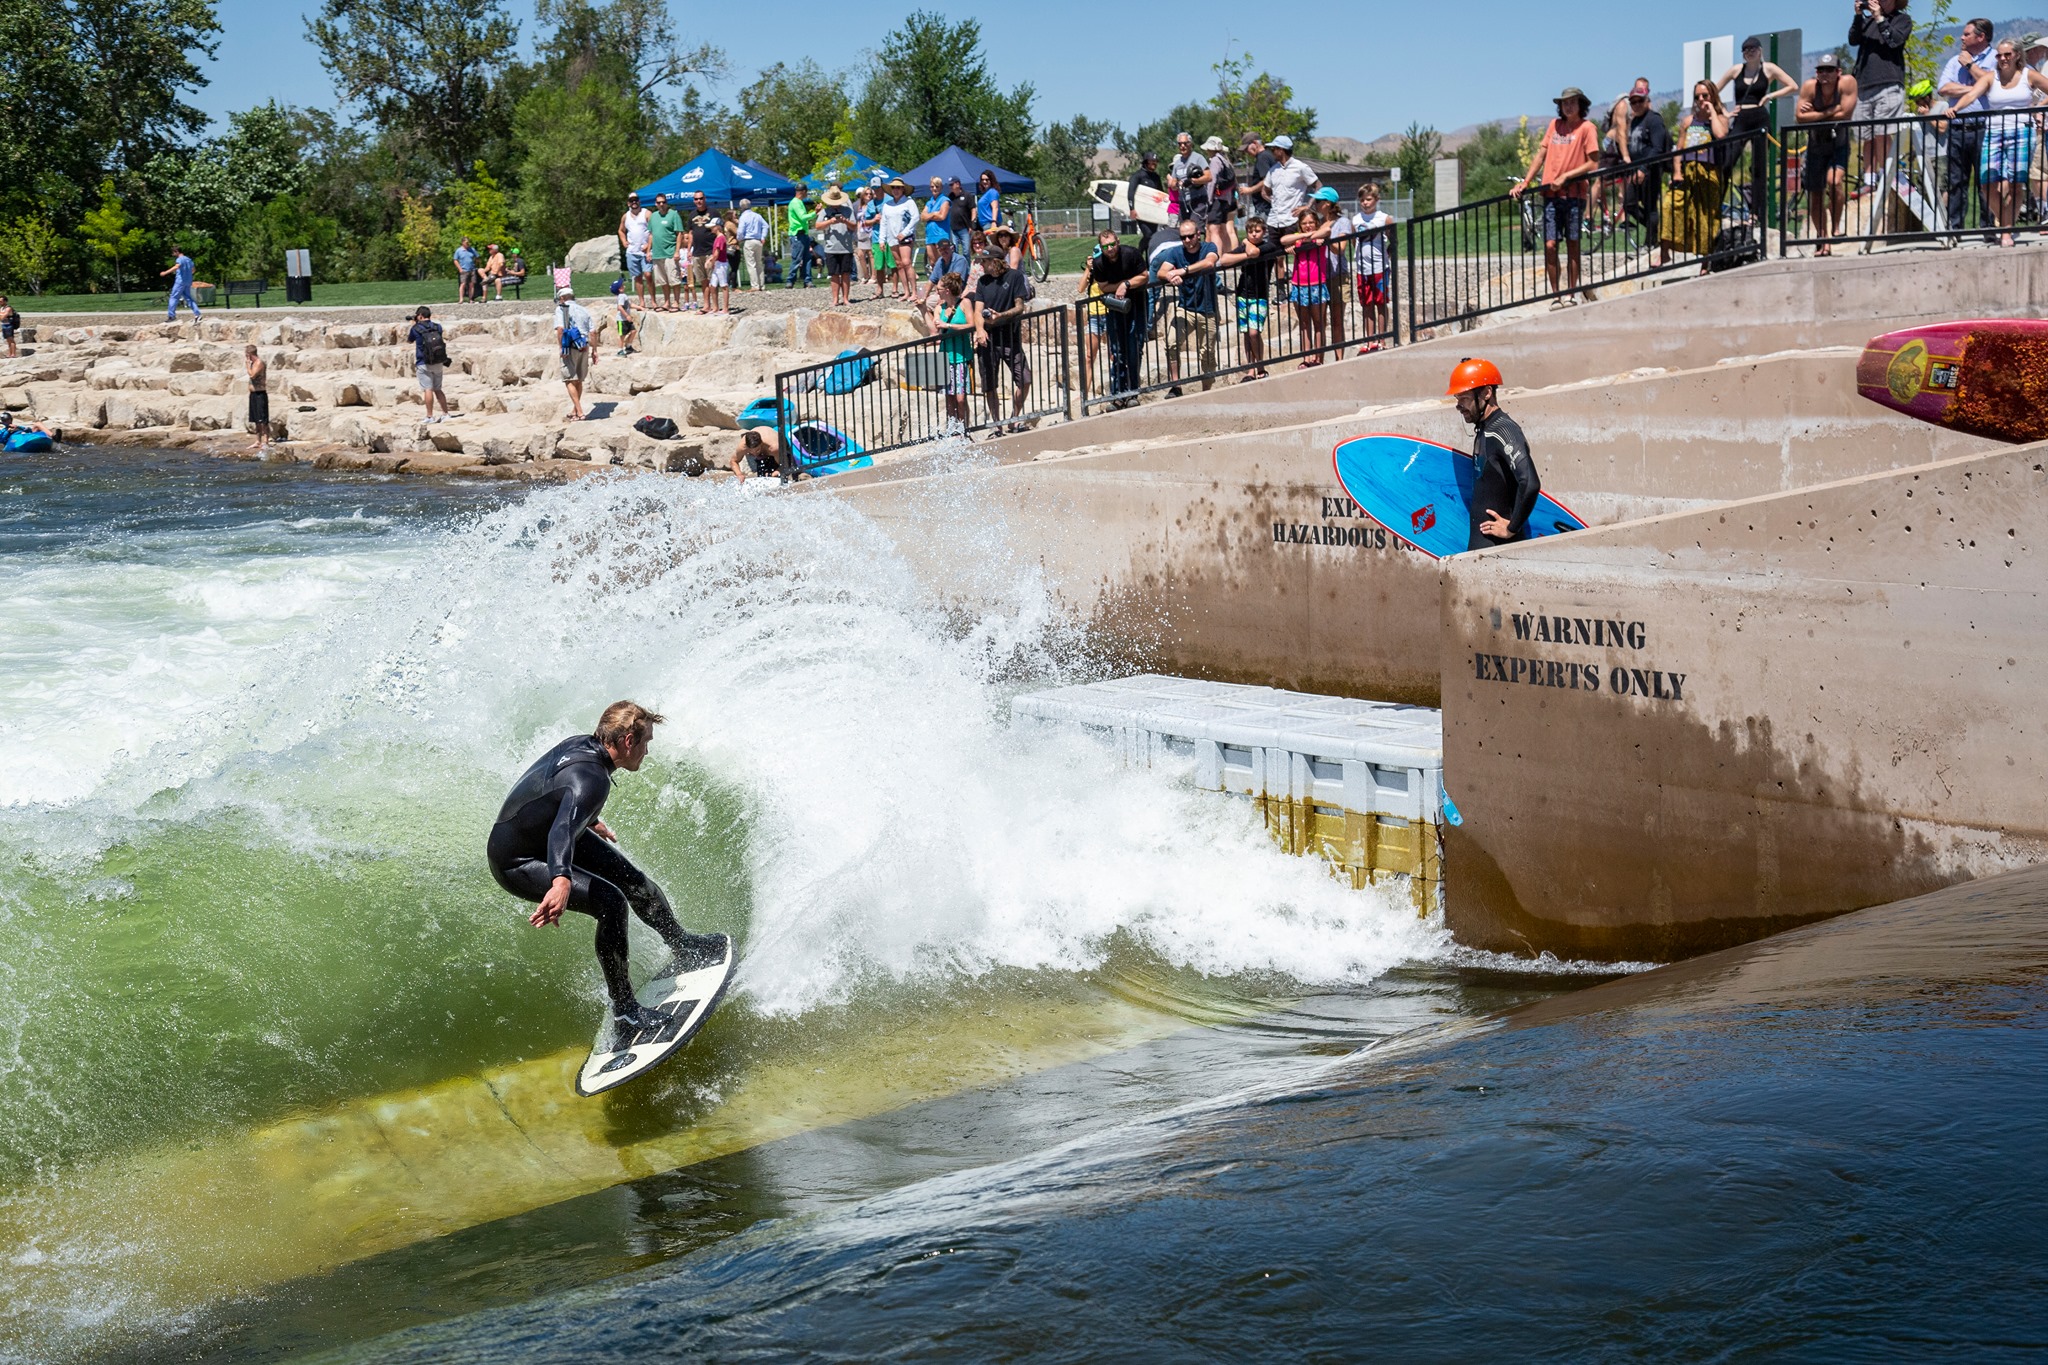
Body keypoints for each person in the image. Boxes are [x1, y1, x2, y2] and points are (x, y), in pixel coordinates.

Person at [488, 703, 728, 1048]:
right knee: (611, 902)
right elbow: (560, 831)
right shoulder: (593, 779)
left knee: (632, 880)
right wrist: (561, 879)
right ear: (628, 740)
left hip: (550, 832)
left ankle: (682, 943)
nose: (647, 751)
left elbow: (550, 790)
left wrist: (585, 816)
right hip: (517, 858)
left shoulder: (582, 745)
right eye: (645, 743)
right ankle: (626, 1013)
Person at [1952, 39, 2048, 245]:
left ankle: (2006, 231)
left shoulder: (2028, 75)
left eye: (2007, 54)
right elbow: (1972, 94)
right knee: (1987, 182)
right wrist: (1955, 109)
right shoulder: (1990, 77)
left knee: (2014, 184)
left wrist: (2040, 107)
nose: (2002, 59)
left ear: (2017, 56)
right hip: (1994, 132)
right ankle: (2007, 222)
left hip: (2021, 131)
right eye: (1999, 55)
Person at [1513, 87, 1602, 304]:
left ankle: (1571, 293)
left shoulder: (1587, 128)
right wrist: (1525, 182)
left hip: (1574, 195)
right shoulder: (1555, 125)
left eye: (1572, 102)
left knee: (1573, 243)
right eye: (1564, 103)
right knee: (1550, 244)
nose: (1568, 106)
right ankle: (1556, 294)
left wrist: (1567, 176)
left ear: (1581, 104)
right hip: (1551, 195)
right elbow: (1541, 154)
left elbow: (1593, 162)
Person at [1446, 358, 1541, 552]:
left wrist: (1512, 528)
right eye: (1457, 400)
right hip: (1483, 551)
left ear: (1487, 393)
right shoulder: (1484, 429)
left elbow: (1530, 482)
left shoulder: (1503, 430)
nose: (1459, 406)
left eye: (1464, 398)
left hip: (1498, 551)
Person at [1718, 37, 1801, 225]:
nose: (1749, 52)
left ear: (1760, 50)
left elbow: (1793, 85)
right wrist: (1725, 112)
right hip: (1740, 119)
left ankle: (1757, 213)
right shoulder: (1736, 70)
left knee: (1759, 168)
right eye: (1745, 49)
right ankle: (1716, 205)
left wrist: (1770, 95)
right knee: (1727, 162)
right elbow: (1713, 90)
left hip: (1759, 118)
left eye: (1753, 48)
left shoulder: (1768, 68)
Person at [1939, 20, 2000, 242]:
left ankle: (1988, 229)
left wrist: (1970, 68)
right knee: (1956, 181)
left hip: (1984, 127)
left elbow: (1996, 85)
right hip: (1958, 129)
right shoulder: (1954, 60)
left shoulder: (1997, 59)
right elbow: (1943, 88)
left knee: (1986, 180)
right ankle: (1954, 229)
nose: (1961, 38)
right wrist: (1978, 88)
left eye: (1966, 34)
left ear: (1981, 37)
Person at [1661, 81, 1731, 265]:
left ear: (1713, 96)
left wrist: (1713, 112)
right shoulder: (1688, 121)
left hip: (1709, 173)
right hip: (1688, 172)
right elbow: (1679, 149)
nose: (1701, 100)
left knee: (1706, 217)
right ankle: (1664, 251)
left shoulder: (1720, 119)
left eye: (1705, 96)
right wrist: (1677, 172)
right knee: (1670, 205)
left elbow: (1721, 134)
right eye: (1697, 96)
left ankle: (1706, 261)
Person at [1149, 218, 1222, 395]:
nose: (1187, 241)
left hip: (1208, 309)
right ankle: (1176, 385)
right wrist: (1170, 276)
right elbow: (1161, 271)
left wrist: (1183, 271)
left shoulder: (1208, 247)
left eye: (1190, 236)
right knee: (1171, 343)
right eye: (1183, 238)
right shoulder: (1175, 252)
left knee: (1207, 353)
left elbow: (1209, 262)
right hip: (1185, 307)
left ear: (1198, 234)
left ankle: (1207, 389)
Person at [1797, 53, 1861, 255]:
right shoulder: (1809, 87)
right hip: (1815, 145)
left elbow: (1847, 113)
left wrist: (1814, 114)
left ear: (1838, 72)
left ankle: (1835, 227)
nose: (1824, 74)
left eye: (1829, 70)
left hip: (1838, 143)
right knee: (1815, 195)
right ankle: (1823, 239)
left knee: (1834, 182)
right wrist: (1828, 112)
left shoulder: (1847, 83)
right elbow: (1799, 117)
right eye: (1820, 70)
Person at [1849, 0, 1914, 197]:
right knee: (1866, 136)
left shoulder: (1902, 20)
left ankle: (1889, 176)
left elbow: (1894, 41)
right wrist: (1859, 15)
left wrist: (1879, 18)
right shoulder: (1867, 22)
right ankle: (1869, 179)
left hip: (1888, 82)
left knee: (1882, 132)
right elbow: (1853, 39)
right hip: (1863, 84)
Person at [971, 245, 1032, 431]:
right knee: (990, 384)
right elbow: (978, 310)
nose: (982, 264)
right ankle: (997, 424)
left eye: (985, 261)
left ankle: (1014, 417)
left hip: (1010, 337)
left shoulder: (1014, 277)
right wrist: (980, 330)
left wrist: (1001, 316)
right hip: (988, 339)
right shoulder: (983, 281)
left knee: (1025, 379)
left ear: (995, 261)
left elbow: (1020, 306)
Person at [1218, 216, 1281, 380]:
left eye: (1257, 231)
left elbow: (1254, 252)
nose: (1254, 234)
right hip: (1243, 295)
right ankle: (1251, 369)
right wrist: (1245, 256)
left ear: (1264, 232)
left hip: (1259, 296)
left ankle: (1260, 365)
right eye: (1250, 232)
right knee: (1246, 333)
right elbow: (1224, 259)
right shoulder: (1245, 249)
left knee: (1254, 333)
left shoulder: (1269, 246)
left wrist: (1246, 243)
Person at [1621, 78, 1675, 247]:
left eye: (1640, 101)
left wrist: (1644, 168)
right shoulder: (1636, 121)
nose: (1636, 104)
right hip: (1637, 170)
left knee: (1650, 206)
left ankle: (1651, 242)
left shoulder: (1654, 119)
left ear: (1647, 101)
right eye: (1633, 102)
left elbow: (1657, 147)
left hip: (1651, 170)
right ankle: (1656, 231)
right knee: (1629, 203)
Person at [1280, 203, 1332, 365]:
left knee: (1319, 323)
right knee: (1304, 324)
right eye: (1304, 223)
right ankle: (1306, 358)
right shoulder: (1298, 238)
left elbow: (1327, 230)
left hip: (1317, 283)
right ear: (1299, 226)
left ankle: (1318, 357)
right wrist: (1303, 238)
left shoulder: (1321, 235)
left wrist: (1312, 236)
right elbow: (1283, 239)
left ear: (1316, 223)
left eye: (1311, 222)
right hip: (1299, 284)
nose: (1308, 226)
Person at [1350, 183, 1395, 354]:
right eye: (1362, 200)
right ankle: (1370, 339)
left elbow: (1393, 239)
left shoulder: (1384, 218)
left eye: (1368, 199)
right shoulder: (1356, 220)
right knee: (1366, 304)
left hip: (1379, 267)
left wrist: (1388, 254)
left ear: (1376, 200)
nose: (1365, 203)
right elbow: (1354, 242)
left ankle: (1382, 338)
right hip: (1363, 268)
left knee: (1380, 302)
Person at [931, 273, 974, 433]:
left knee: (960, 398)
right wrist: (922, 310)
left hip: (961, 355)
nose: (937, 292)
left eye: (939, 289)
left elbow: (971, 325)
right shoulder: (939, 308)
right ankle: (952, 430)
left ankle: (964, 429)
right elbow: (934, 330)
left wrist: (948, 326)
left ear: (947, 290)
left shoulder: (965, 303)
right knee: (949, 398)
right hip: (945, 356)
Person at [1259, 135, 1320, 229]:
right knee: (1272, 244)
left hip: (1292, 220)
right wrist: (1276, 203)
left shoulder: (1300, 167)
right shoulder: (1273, 170)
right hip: (1274, 221)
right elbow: (1264, 192)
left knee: (1292, 244)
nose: (1272, 152)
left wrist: (1308, 206)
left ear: (1281, 150)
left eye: (1273, 149)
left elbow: (1318, 186)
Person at [554, 286, 596, 421]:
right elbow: (593, 332)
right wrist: (595, 351)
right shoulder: (584, 310)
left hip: (570, 346)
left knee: (569, 379)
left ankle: (580, 411)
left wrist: (561, 347)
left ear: (562, 298)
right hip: (584, 346)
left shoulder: (561, 309)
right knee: (578, 379)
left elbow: (560, 329)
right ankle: (575, 410)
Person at [407, 305, 452, 423]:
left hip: (423, 363)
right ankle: (445, 414)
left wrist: (414, 324)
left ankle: (430, 416)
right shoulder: (438, 327)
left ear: (420, 316)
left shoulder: (415, 328)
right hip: (438, 361)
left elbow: (410, 340)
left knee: (428, 389)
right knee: (438, 389)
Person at [879, 179, 919, 301]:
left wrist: (905, 232)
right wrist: (882, 239)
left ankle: (914, 292)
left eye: (898, 187)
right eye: (893, 188)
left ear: (903, 189)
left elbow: (915, 218)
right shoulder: (887, 205)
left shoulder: (909, 202)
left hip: (905, 236)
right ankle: (906, 291)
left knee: (906, 262)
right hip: (892, 237)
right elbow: (883, 222)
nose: (895, 190)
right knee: (899, 264)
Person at [819, 185, 856, 306]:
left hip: (846, 247)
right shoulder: (824, 212)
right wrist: (830, 221)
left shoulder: (848, 211)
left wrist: (845, 221)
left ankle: (846, 298)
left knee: (845, 273)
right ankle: (835, 299)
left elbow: (854, 226)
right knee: (834, 274)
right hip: (831, 247)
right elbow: (818, 226)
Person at [1202, 135, 1239, 253]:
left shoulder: (1215, 161)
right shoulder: (1225, 160)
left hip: (1217, 200)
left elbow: (1212, 180)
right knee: (1224, 228)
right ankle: (1228, 255)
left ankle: (1216, 258)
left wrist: (1209, 199)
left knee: (1214, 229)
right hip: (1226, 200)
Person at [1126, 150, 1166, 257]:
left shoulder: (1156, 177)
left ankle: (1148, 262)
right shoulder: (1138, 176)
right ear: (1146, 162)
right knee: (1148, 234)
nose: (1154, 163)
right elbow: (1130, 192)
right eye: (1152, 161)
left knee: (1152, 237)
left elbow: (1160, 193)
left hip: (1153, 212)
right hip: (1140, 212)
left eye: (1155, 161)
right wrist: (1132, 209)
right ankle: (1138, 253)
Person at [648, 193, 685, 311]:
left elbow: (679, 233)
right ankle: (666, 302)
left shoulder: (673, 214)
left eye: (663, 202)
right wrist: (649, 250)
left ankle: (676, 302)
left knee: (673, 279)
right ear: (655, 204)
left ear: (666, 203)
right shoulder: (653, 216)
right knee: (662, 280)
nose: (661, 204)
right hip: (657, 253)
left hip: (670, 252)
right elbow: (651, 234)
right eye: (659, 202)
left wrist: (677, 251)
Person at [619, 193, 654, 310]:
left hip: (645, 251)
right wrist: (624, 241)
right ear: (628, 203)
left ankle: (653, 300)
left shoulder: (647, 213)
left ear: (639, 201)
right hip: (632, 251)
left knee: (648, 275)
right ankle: (642, 301)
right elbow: (621, 230)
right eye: (631, 200)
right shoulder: (626, 216)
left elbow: (654, 230)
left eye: (636, 200)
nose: (634, 202)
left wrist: (649, 245)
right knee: (637, 277)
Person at [1170, 131, 1210, 230]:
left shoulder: (1198, 158)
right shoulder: (1177, 163)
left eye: (1185, 143)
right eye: (1180, 144)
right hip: (1183, 202)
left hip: (1198, 200)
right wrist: (1176, 183)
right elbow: (1172, 184)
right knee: (1184, 230)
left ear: (1190, 144)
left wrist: (1193, 181)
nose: (1182, 146)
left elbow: (1209, 177)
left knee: (1196, 229)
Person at [159, 245, 202, 322]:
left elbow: (176, 267)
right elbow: (193, 270)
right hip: (188, 281)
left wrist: (165, 272)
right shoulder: (188, 259)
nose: (173, 255)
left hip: (180, 281)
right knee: (188, 298)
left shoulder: (180, 259)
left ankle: (171, 316)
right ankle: (197, 314)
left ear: (177, 251)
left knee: (173, 297)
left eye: (173, 253)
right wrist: (187, 274)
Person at [786, 188, 817, 289]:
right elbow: (802, 217)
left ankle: (807, 280)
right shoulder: (795, 203)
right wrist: (815, 212)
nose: (807, 194)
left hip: (803, 234)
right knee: (797, 258)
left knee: (807, 258)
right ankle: (790, 280)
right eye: (806, 192)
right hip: (797, 235)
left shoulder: (800, 202)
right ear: (802, 191)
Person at [735, 198, 769, 292]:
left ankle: (755, 285)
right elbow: (765, 226)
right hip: (758, 241)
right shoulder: (757, 215)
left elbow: (741, 230)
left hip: (749, 241)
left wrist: (739, 238)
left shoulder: (743, 217)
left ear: (741, 207)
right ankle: (762, 285)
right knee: (759, 263)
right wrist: (763, 237)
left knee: (751, 264)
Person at [1241, 134, 1277, 222]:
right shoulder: (1267, 155)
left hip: (1265, 207)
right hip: (1267, 206)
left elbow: (1267, 180)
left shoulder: (1262, 157)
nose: (1246, 152)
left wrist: (1250, 190)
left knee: (1263, 234)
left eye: (1247, 148)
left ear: (1255, 143)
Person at [244, 344, 270, 455]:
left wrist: (247, 366)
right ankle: (258, 441)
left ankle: (266, 441)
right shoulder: (254, 363)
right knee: (256, 419)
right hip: (253, 394)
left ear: (250, 354)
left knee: (263, 419)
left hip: (260, 394)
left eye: (246, 355)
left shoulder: (259, 363)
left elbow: (252, 375)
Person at [707, 215, 733, 314]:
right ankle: (715, 307)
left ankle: (725, 308)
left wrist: (711, 262)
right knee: (712, 285)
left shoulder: (720, 238)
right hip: (717, 263)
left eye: (712, 227)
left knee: (723, 285)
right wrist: (712, 260)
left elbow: (717, 253)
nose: (711, 229)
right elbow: (715, 253)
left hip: (721, 264)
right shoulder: (718, 238)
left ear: (717, 227)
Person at [945, 176, 974, 261]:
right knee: (954, 251)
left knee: (966, 251)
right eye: (949, 185)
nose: (950, 187)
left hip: (964, 228)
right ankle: (956, 270)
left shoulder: (967, 195)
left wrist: (972, 224)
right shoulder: (950, 197)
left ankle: (967, 270)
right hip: (953, 228)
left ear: (957, 184)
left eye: (952, 185)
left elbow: (973, 209)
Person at [609, 277, 639, 356]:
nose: (624, 285)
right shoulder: (621, 296)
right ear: (620, 289)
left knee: (633, 331)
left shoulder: (624, 295)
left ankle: (628, 346)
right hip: (622, 320)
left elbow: (630, 305)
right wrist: (627, 315)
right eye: (622, 285)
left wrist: (640, 307)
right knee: (622, 335)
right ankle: (620, 350)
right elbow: (619, 307)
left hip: (626, 319)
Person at [974, 170, 1002, 246]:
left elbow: (995, 207)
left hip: (990, 224)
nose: (984, 182)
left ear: (991, 180)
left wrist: (994, 222)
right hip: (985, 225)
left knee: (992, 247)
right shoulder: (986, 193)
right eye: (982, 180)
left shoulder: (992, 192)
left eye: (987, 179)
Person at [453, 236, 479, 304]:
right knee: (463, 284)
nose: (468, 244)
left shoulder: (472, 249)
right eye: (466, 242)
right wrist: (460, 269)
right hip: (464, 269)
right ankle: (461, 299)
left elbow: (477, 257)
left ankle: (471, 299)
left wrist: (475, 264)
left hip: (472, 269)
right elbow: (455, 260)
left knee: (471, 284)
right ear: (462, 242)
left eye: (468, 242)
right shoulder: (459, 250)